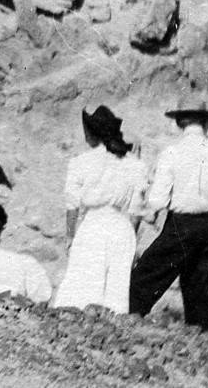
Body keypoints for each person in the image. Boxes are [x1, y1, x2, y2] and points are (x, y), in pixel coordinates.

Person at [129, 96, 208, 332]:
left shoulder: (172, 152)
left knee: (143, 280)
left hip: (182, 225)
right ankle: (201, 348)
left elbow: (158, 200)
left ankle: (124, 330)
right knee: (199, 295)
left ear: (179, 123)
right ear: (206, 124)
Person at [53, 106, 146, 314]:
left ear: (90, 134)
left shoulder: (81, 162)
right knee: (116, 296)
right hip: (121, 229)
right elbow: (137, 210)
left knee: (82, 292)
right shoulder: (134, 164)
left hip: (93, 227)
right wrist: (131, 236)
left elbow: (72, 204)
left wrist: (70, 236)